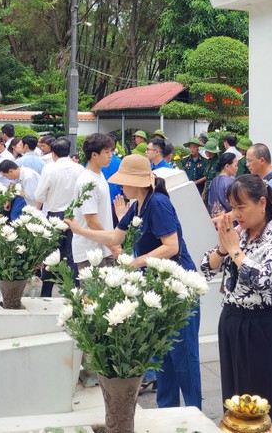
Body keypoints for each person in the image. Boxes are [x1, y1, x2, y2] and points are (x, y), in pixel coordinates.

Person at [67, 154, 202, 409]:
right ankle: (168, 412)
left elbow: (171, 246)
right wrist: (80, 230)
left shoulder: (158, 203)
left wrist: (134, 263)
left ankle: (196, 413)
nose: (120, 186)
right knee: (162, 354)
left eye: (124, 182)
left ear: (138, 183)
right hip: (157, 284)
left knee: (184, 358)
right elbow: (114, 236)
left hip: (179, 285)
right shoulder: (137, 205)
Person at [201, 175, 272, 433]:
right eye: (233, 207)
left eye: (241, 207)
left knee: (261, 401)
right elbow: (205, 269)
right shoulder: (238, 233)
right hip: (231, 319)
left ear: (262, 203)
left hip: (262, 326)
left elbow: (264, 280)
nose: (236, 214)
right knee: (234, 397)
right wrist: (222, 249)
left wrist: (235, 252)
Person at [33, 137, 83, 295]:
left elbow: (39, 195)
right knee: (72, 255)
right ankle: (74, 292)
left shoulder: (50, 169)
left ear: (53, 153)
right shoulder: (80, 169)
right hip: (74, 215)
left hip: (55, 215)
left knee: (52, 254)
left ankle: (46, 292)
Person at [71, 133, 116, 270]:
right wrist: (112, 244)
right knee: (93, 291)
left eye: (111, 152)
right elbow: (91, 221)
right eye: (106, 152)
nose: (110, 156)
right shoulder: (87, 181)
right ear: (94, 155)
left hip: (103, 246)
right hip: (90, 251)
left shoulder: (99, 174)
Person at [206, 152, 238, 216]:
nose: (237, 168)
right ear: (227, 166)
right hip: (229, 219)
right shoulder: (231, 182)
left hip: (215, 217)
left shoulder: (213, 181)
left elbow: (210, 201)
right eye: (236, 165)